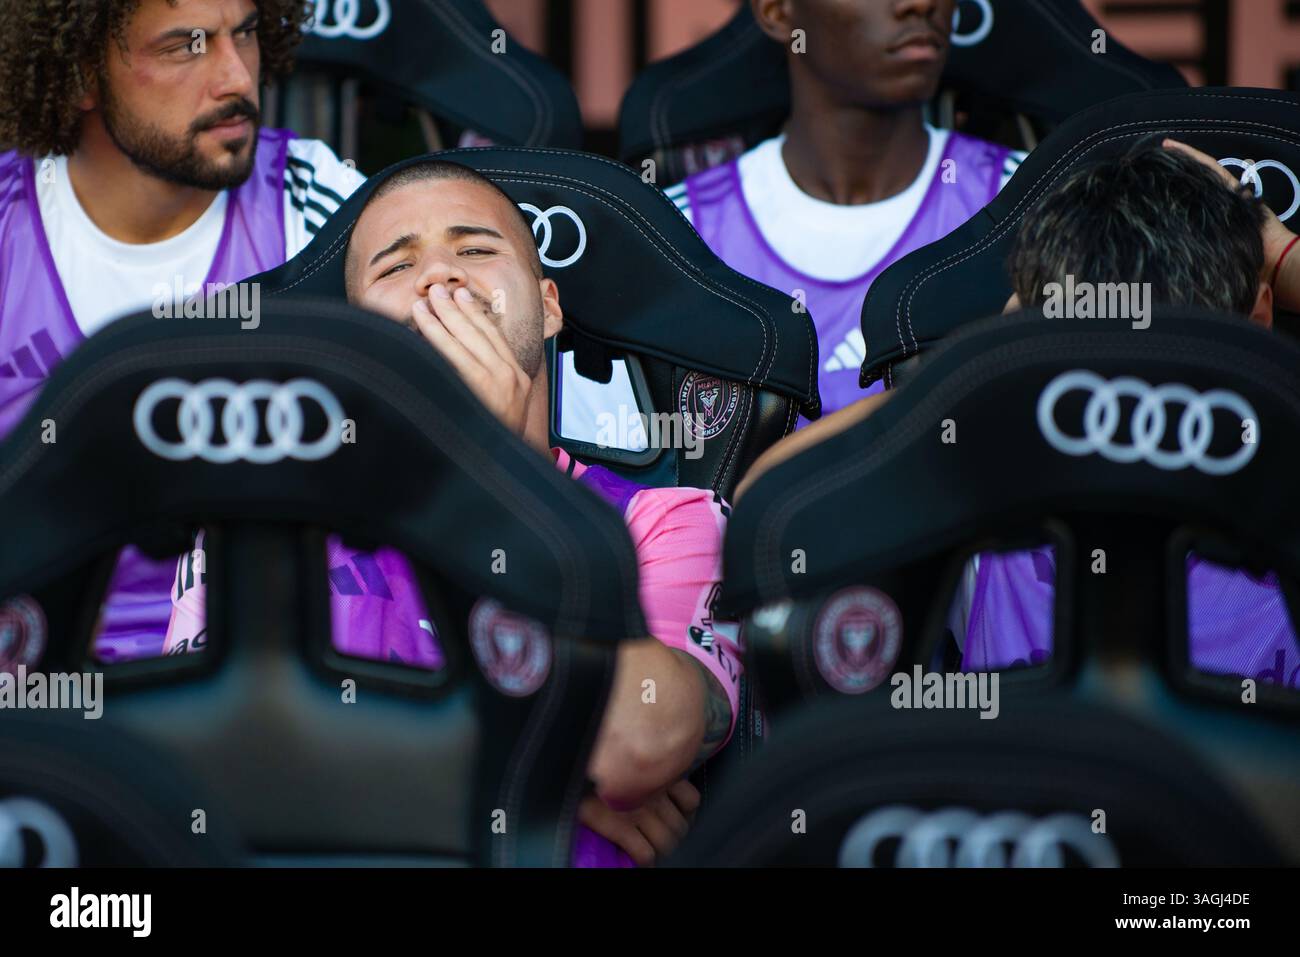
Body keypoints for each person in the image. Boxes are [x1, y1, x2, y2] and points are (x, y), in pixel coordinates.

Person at [163, 159, 743, 866]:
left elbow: (636, 743)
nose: (441, 278)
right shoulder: (262, 532)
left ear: (550, 304)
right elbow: (208, 786)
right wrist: (540, 780)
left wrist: (494, 473)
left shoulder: (671, 521)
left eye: (475, 249)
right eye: (396, 267)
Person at [738, 139, 1300, 687]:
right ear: (1258, 319)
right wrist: (1282, 257)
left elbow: (772, 507)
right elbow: (769, 510)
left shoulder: (981, 489)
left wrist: (994, 370)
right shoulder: (982, 486)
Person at [0, 0, 366, 658]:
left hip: (261, 700)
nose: (237, 79)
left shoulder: (322, 209)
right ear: (80, 72)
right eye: (185, 46)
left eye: (247, 34)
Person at [562, 0, 1023, 442]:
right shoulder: (670, 233)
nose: (919, 3)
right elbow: (621, 483)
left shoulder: (1033, 203)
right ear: (778, 11)